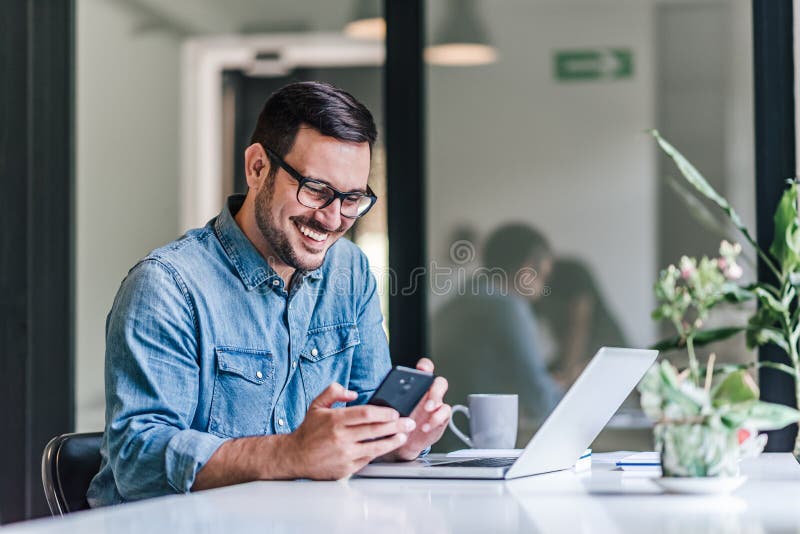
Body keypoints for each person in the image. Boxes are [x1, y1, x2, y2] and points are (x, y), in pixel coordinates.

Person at [87, 81, 450, 506]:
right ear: (258, 167)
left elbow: (363, 424)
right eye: (316, 190)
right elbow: (136, 462)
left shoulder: (348, 272)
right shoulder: (166, 286)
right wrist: (290, 453)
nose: (333, 219)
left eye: (352, 198)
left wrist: (400, 438)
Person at [431, 223, 562, 452]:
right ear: (526, 269)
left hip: (440, 438)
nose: (542, 290)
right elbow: (540, 399)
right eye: (543, 278)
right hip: (474, 444)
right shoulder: (506, 308)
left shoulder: (459, 300)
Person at [535, 257, 628, 386]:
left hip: (607, 353)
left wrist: (567, 374)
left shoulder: (573, 273)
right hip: (571, 356)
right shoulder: (528, 290)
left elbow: (579, 328)